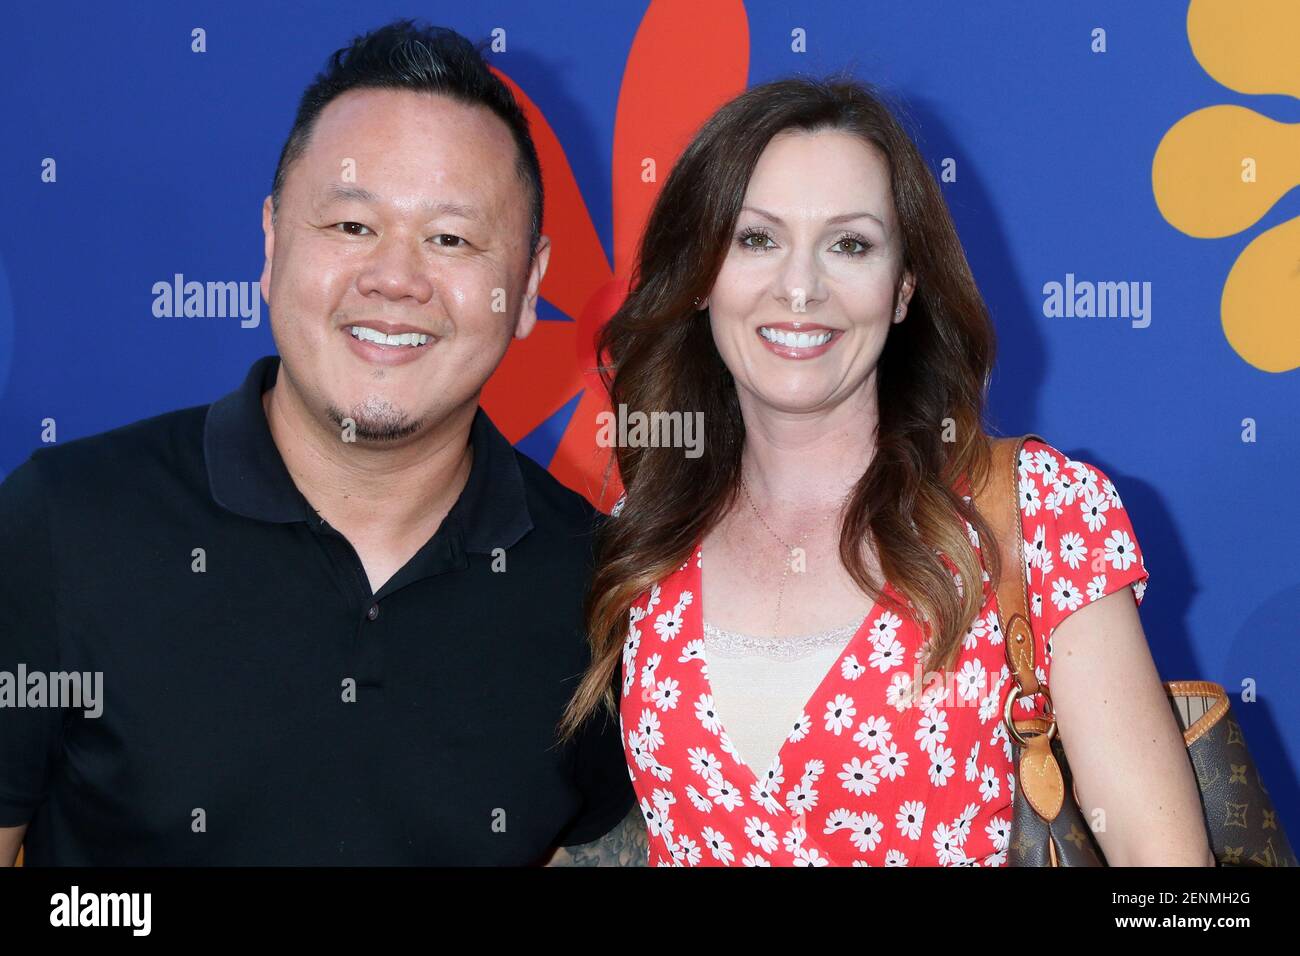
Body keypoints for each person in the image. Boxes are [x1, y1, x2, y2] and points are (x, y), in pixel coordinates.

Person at [0, 20, 642, 866]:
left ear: (527, 288)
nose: (395, 278)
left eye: (451, 239)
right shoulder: (65, 522)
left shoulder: (603, 589)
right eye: (350, 227)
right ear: (270, 246)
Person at [558, 75, 1214, 867]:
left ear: (903, 288)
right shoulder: (651, 533)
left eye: (850, 245)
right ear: (701, 277)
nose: (799, 288)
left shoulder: (1035, 513)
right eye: (756, 239)